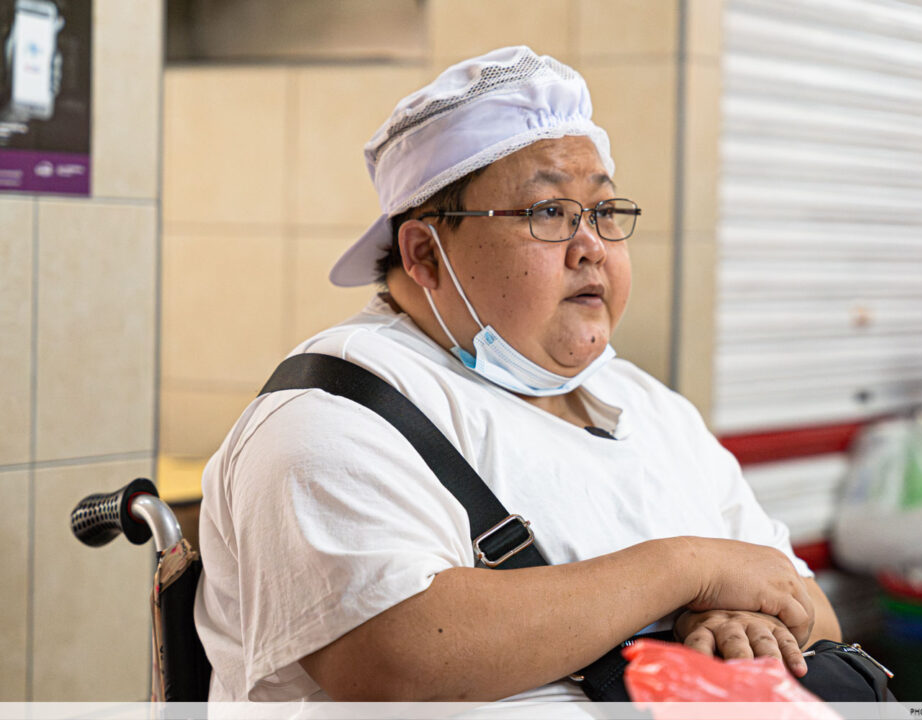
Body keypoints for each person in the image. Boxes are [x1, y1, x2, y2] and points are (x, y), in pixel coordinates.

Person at [194, 45, 841, 704]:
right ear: (425, 253)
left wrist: (734, 617)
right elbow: (396, 656)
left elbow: (809, 608)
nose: (591, 245)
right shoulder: (331, 414)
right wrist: (688, 572)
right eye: (548, 213)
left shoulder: (650, 409)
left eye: (605, 213)